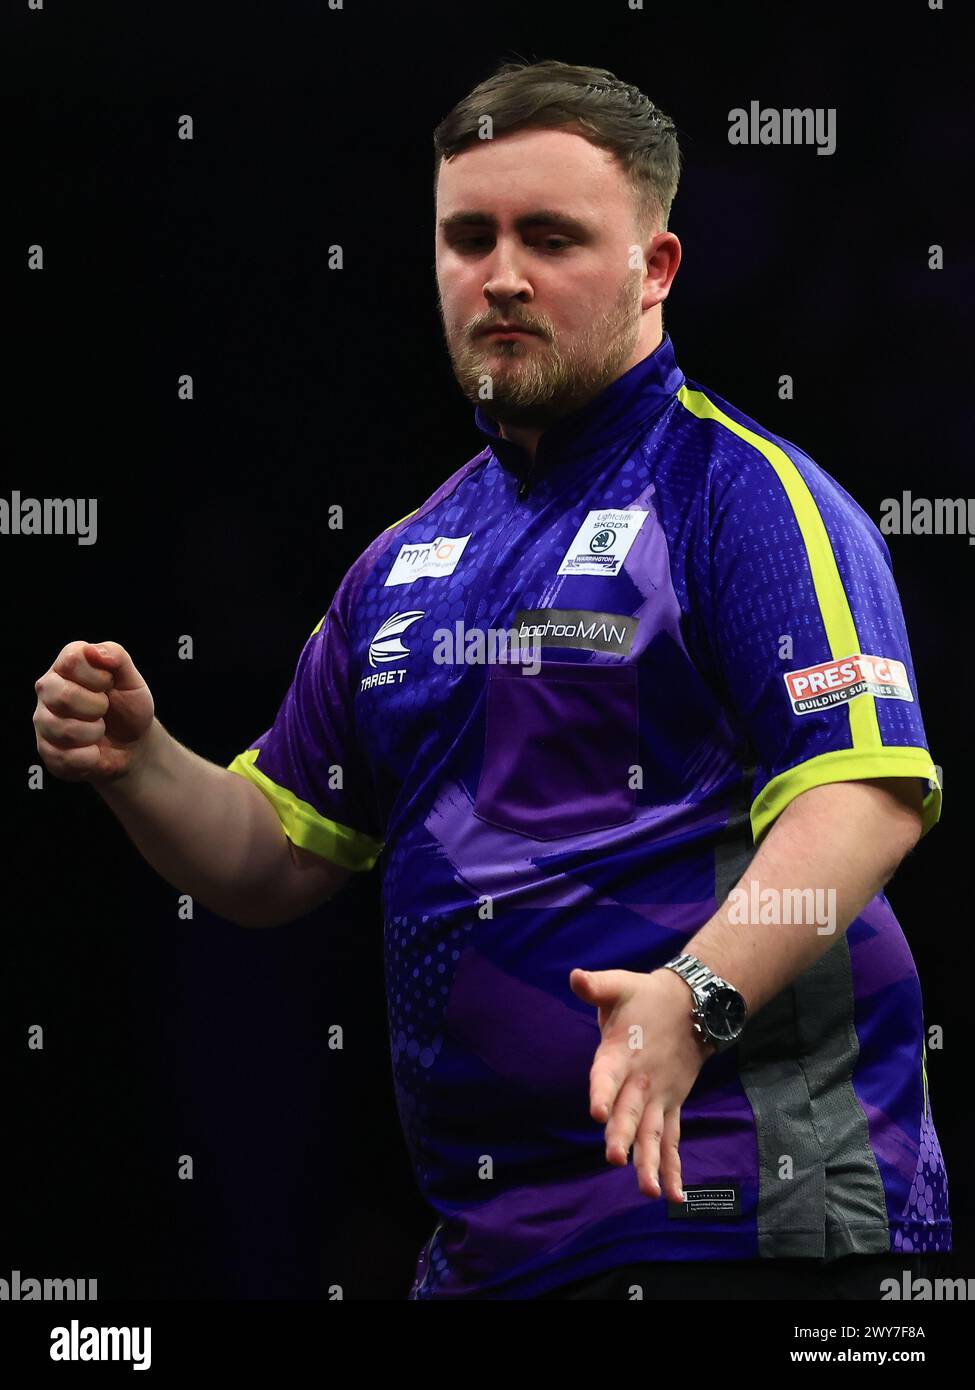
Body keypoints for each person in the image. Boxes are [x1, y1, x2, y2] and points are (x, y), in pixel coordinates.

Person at [33, 59, 950, 1301]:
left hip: (739, 1214)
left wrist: (695, 997)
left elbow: (865, 795)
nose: (502, 274)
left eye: (553, 237)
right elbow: (273, 854)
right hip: (486, 1259)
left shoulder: (746, 500)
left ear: (656, 268)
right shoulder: (402, 565)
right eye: (470, 237)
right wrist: (140, 763)